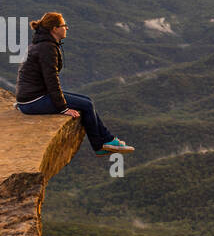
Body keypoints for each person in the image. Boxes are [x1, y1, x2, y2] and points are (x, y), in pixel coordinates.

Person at [14, 12, 133, 155]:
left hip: (30, 98)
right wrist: (62, 108)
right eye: (64, 25)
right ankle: (101, 144)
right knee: (87, 105)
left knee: (87, 101)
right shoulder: (47, 48)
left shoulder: (42, 44)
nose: (67, 28)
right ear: (54, 29)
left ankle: (106, 140)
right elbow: (51, 79)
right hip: (33, 102)